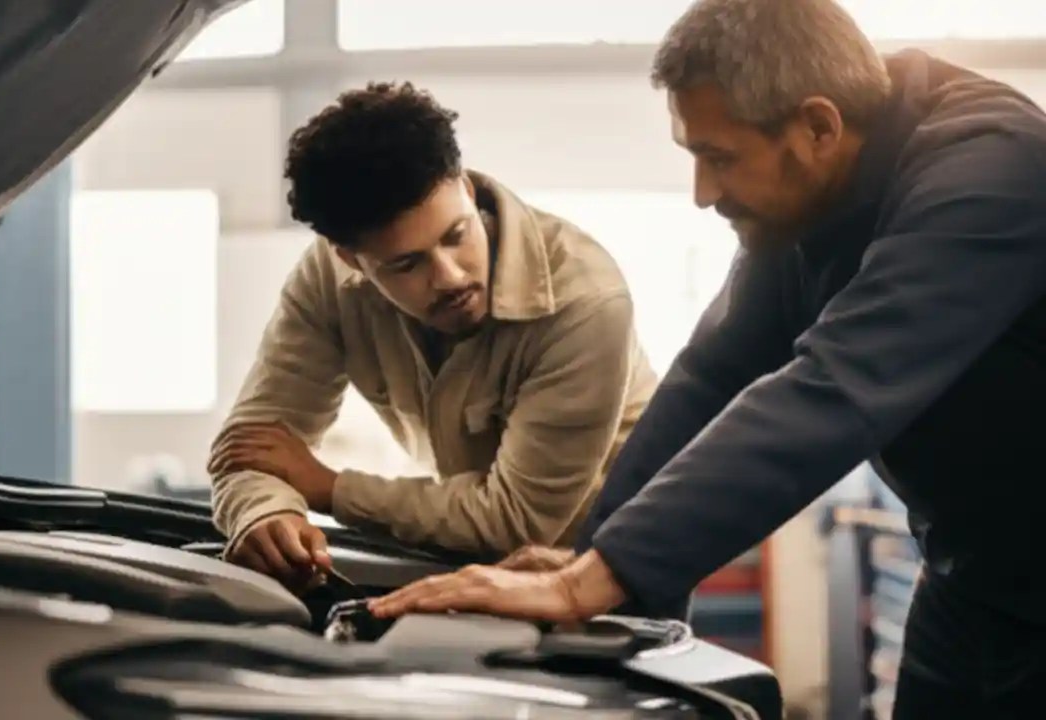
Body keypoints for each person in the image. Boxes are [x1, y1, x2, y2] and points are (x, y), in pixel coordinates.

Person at [368, 1, 1046, 717]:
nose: (702, 194)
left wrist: (596, 579)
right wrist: (597, 557)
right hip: (975, 579)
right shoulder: (814, 202)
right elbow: (711, 377)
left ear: (819, 126)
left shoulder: (992, 172)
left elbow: (837, 385)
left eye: (718, 158)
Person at [208, 81, 659, 591]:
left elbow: (515, 521)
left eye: (456, 236)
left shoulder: (585, 302)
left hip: (611, 563)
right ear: (351, 259)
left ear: (466, 189)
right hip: (468, 558)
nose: (449, 276)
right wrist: (267, 516)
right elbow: (251, 448)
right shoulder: (328, 283)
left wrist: (330, 489)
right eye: (406, 263)